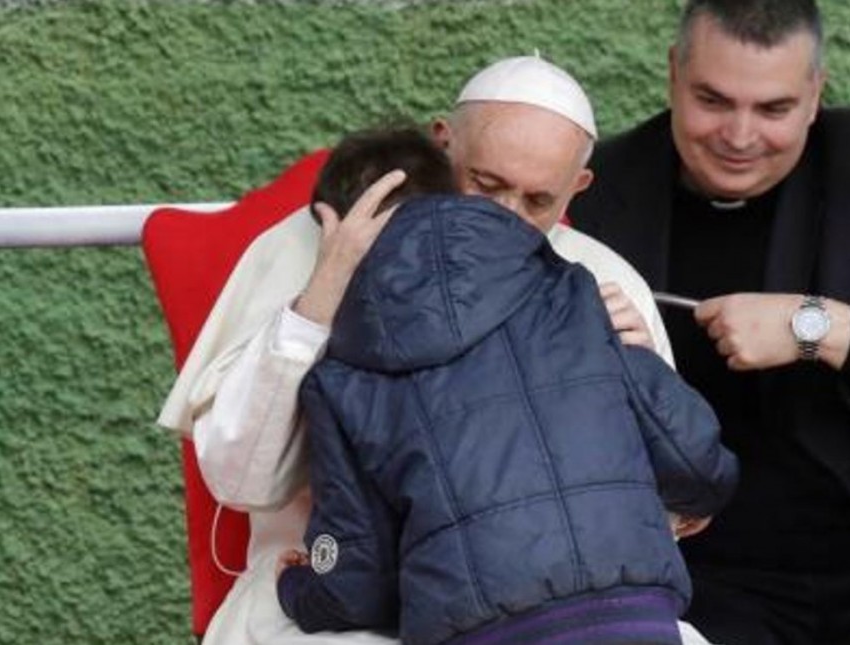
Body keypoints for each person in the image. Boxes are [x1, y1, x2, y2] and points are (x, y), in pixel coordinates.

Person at [155, 57, 716, 645]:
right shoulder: (312, 244)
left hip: (538, 602)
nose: (504, 220)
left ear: (577, 188)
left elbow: (658, 516)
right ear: (443, 144)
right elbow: (241, 478)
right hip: (327, 597)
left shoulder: (600, 276)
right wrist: (321, 295)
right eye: (486, 185)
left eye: (537, 201)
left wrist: (628, 369)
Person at [568, 1, 850, 643]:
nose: (740, 135)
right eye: (712, 100)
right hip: (699, 573)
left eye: (774, 109)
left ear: (815, 95)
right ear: (673, 74)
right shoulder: (601, 185)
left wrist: (820, 328)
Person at [273, 125, 738, 644]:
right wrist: (696, 496)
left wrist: (299, 586)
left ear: (331, 230)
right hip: (633, 615)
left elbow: (360, 582)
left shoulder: (341, 373)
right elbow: (696, 458)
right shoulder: (574, 293)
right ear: (454, 194)